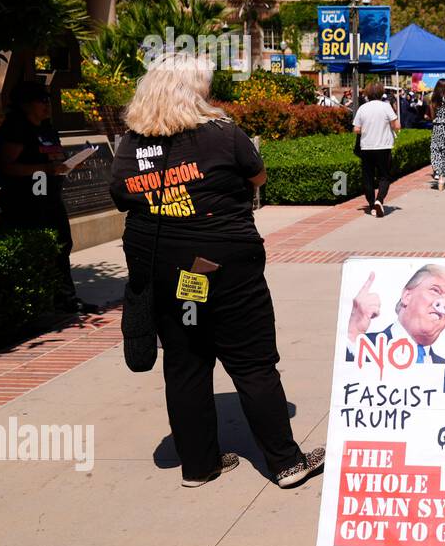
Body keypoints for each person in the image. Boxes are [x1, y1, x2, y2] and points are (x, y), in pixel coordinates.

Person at [108, 52, 323, 488]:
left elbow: (120, 195)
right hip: (226, 269)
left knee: (186, 365)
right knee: (253, 363)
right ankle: (286, 462)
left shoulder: (131, 142)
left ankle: (199, 465)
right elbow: (258, 177)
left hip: (164, 269)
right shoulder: (222, 133)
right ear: (194, 91)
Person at [0, 79, 94, 313]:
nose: (47, 104)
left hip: (50, 198)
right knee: (32, 251)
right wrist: (46, 169)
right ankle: (32, 304)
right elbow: (7, 166)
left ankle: (65, 298)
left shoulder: (46, 128)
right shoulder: (16, 130)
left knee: (61, 245)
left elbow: (52, 158)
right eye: (41, 100)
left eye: (48, 99)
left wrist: (67, 164)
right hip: (23, 201)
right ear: (25, 104)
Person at [345, 263, 445, 363]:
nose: (443, 305)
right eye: (435, 291)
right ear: (407, 296)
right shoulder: (361, 346)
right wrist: (353, 332)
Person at [351, 81, 399, 217]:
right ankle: (379, 200)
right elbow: (397, 125)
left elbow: (356, 129)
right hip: (383, 146)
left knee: (368, 177)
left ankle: (372, 205)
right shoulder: (386, 106)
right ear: (381, 93)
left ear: (367, 94)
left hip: (366, 146)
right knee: (384, 176)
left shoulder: (363, 108)